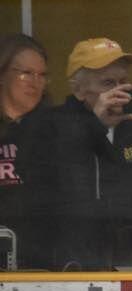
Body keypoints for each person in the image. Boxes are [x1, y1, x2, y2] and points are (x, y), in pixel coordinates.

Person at [18, 37, 132, 271]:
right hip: (58, 271)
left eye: (124, 81)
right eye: (107, 83)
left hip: (129, 268)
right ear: (78, 90)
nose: (119, 90)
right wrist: (95, 125)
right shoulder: (44, 126)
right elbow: (36, 184)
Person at [0, 33, 49, 269]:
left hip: (42, 261)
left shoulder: (54, 130)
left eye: (42, 75)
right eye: (25, 73)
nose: (35, 82)